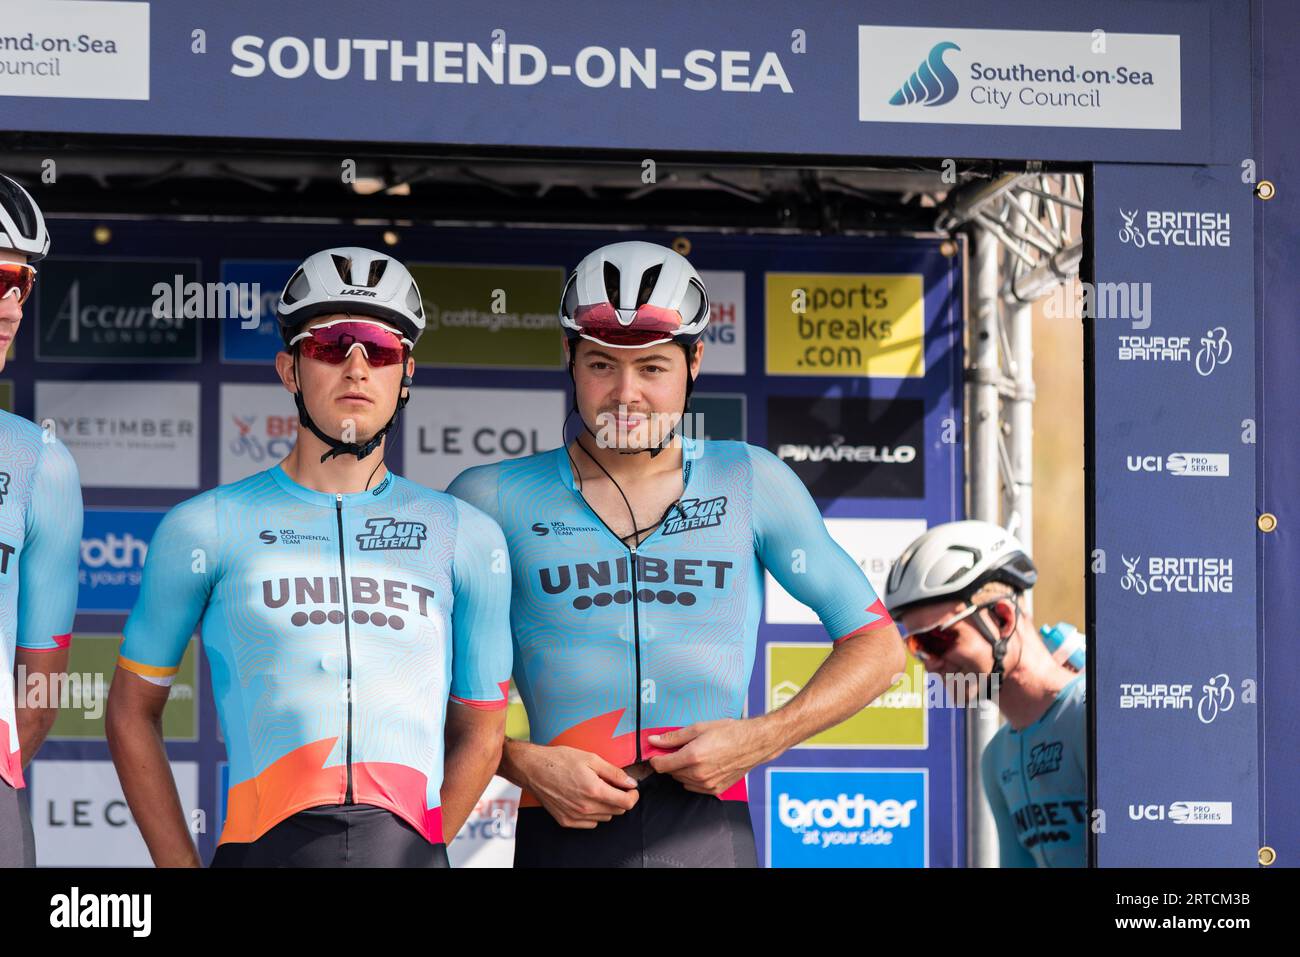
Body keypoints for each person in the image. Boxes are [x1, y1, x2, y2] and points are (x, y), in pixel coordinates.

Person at [448, 240, 905, 867]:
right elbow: (410, 678)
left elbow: (878, 647)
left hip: (708, 829)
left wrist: (762, 737)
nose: (625, 394)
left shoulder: (749, 479)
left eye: (653, 368)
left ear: (694, 361)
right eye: (602, 365)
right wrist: (521, 762)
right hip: (560, 823)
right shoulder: (491, 497)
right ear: (569, 358)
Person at [106, 247, 512, 867]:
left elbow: (483, 731)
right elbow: (132, 711)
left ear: (406, 373)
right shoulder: (204, 527)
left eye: (378, 349)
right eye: (329, 346)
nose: (356, 368)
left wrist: (423, 848)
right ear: (289, 369)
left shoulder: (466, 534)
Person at [884, 520, 1087, 867]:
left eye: (938, 640)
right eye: (917, 645)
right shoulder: (997, 758)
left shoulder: (1090, 716)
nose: (929, 664)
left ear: (1003, 618)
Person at [0, 172, 84, 869]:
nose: (9, 306)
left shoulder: (40, 462)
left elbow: (41, 683)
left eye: (21, 284)